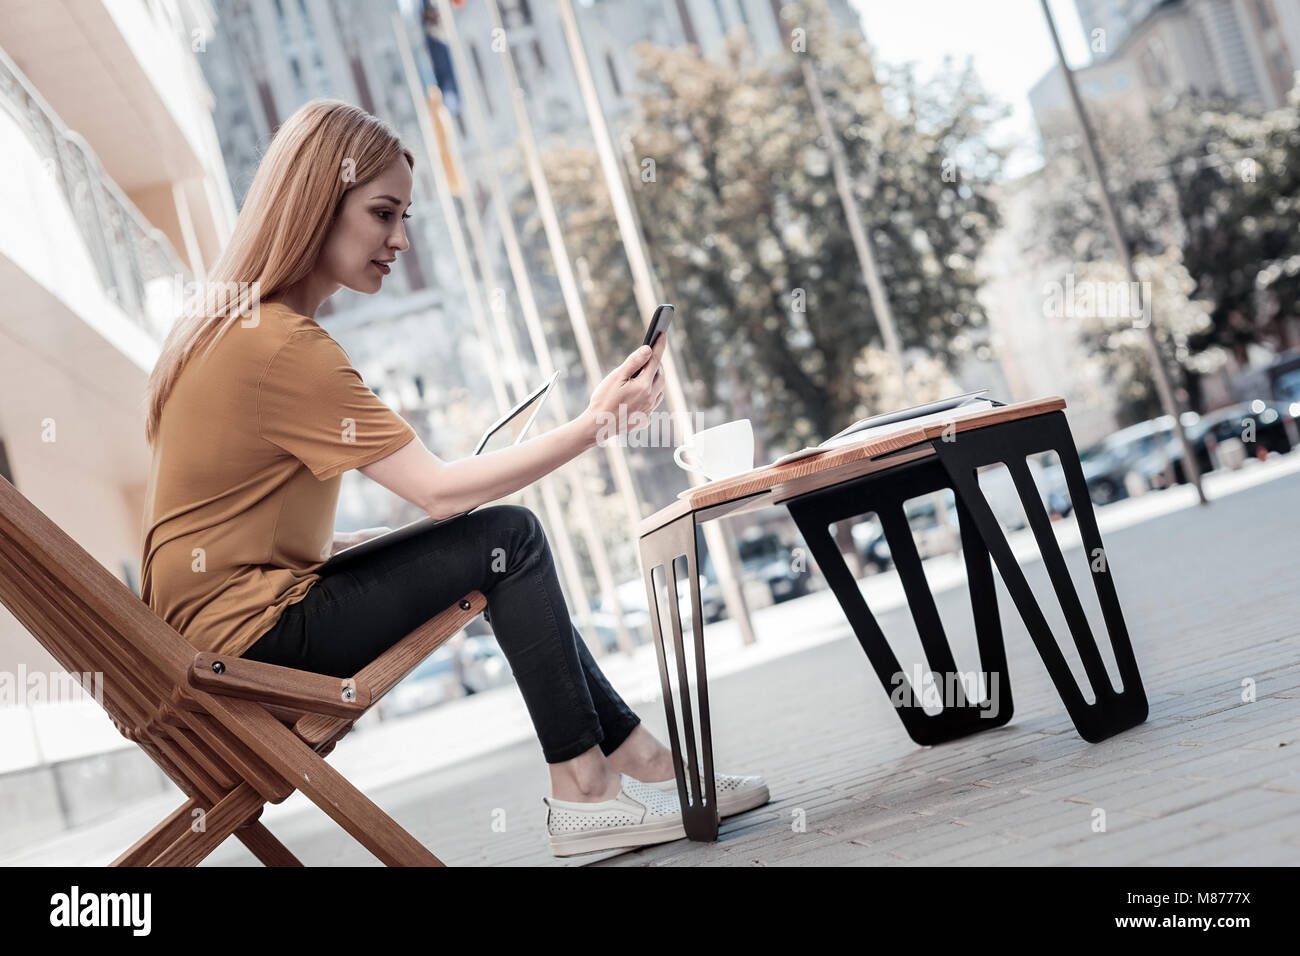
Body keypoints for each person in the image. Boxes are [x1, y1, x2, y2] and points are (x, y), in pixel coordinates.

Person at [138, 99, 767, 858]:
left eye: (405, 215)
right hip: (250, 651)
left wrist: (354, 542)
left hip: (222, 641)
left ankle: (642, 763)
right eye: (382, 213)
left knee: (485, 547)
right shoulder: (281, 346)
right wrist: (596, 424)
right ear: (313, 204)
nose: (400, 239)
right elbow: (439, 489)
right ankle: (585, 792)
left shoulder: (231, 329)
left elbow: (224, 517)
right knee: (509, 537)